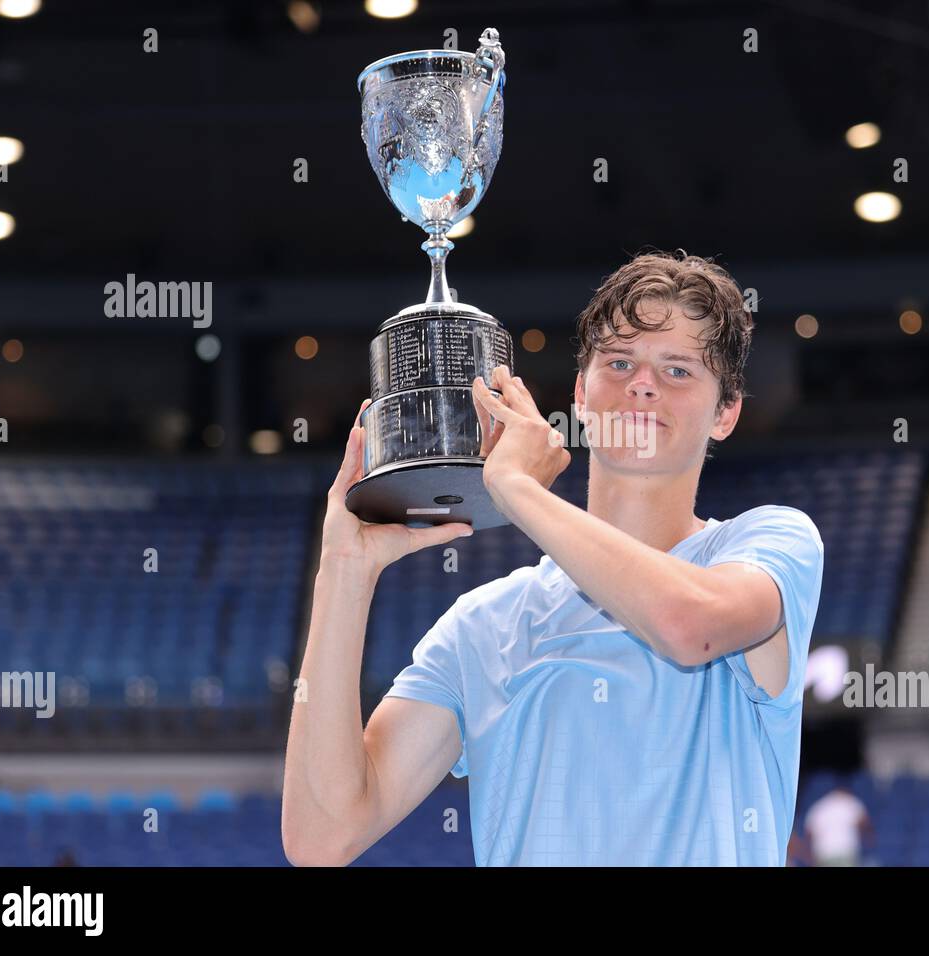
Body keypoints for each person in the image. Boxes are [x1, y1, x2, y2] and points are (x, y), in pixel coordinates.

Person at [282, 249, 825, 866]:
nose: (642, 382)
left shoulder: (769, 544)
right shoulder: (482, 627)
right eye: (619, 362)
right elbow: (320, 837)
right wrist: (344, 572)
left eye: (678, 370)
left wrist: (514, 489)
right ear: (581, 395)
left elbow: (686, 627)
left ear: (725, 414)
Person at [796, 786, 872, 866]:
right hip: (844, 852)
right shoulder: (850, 802)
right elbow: (865, 823)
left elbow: (808, 834)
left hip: (825, 854)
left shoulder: (818, 807)